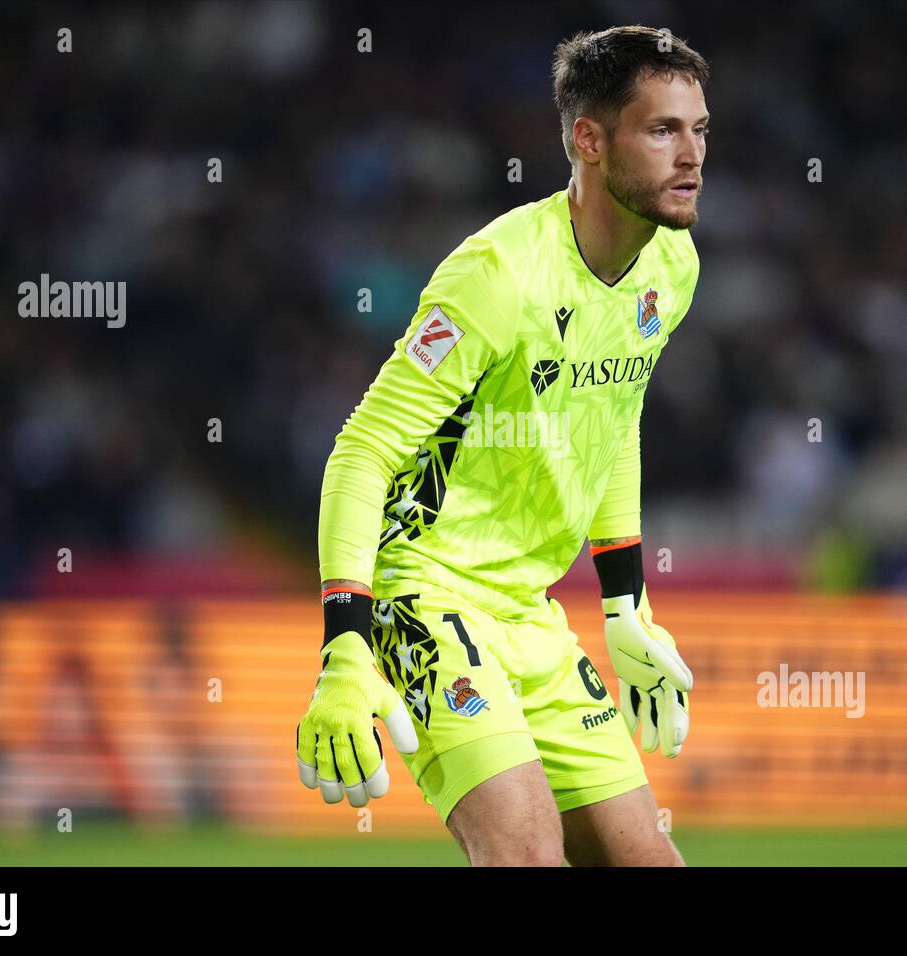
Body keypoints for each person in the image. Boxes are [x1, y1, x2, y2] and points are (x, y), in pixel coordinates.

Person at [297, 24, 708, 866]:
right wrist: (345, 638)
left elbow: (613, 416)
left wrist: (625, 606)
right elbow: (362, 451)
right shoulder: (497, 275)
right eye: (662, 129)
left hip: (529, 610)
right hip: (426, 593)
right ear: (588, 140)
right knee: (524, 854)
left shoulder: (675, 266)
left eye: (700, 129)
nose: (692, 153)